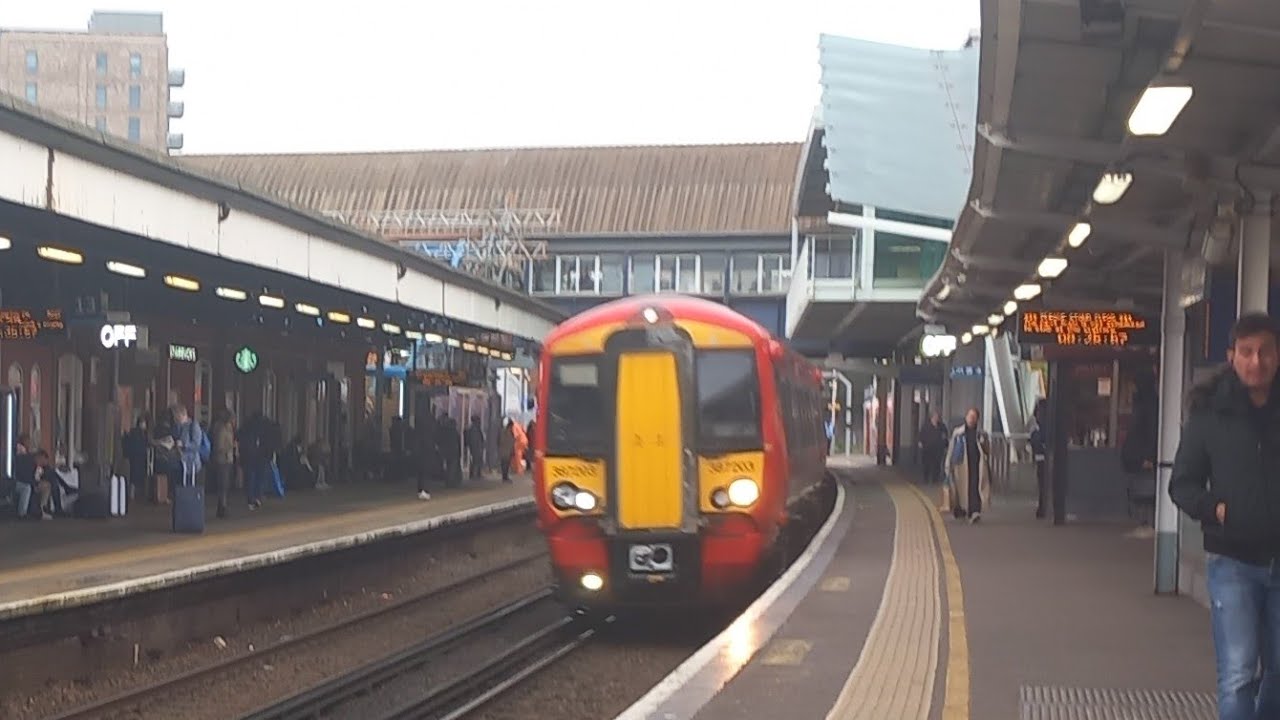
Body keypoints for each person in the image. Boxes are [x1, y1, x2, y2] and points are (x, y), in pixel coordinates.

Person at [1169, 312, 1280, 720]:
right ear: (1232, 356)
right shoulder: (1209, 416)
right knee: (1238, 673)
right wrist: (1214, 509)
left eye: (1265, 352)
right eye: (1247, 352)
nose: (1257, 361)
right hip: (1232, 563)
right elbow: (1181, 484)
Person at [945, 407, 991, 523]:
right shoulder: (958, 433)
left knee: (975, 488)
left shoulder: (981, 434)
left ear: (977, 420)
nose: (971, 419)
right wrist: (948, 464)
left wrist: (984, 442)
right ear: (966, 417)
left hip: (976, 465)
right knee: (960, 489)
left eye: (974, 417)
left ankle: (975, 511)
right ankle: (961, 510)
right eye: (970, 416)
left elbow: (987, 450)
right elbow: (951, 449)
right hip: (961, 466)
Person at [209, 409, 236, 518]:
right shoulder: (221, 429)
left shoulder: (228, 428)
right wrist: (231, 446)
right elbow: (219, 446)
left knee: (225, 484)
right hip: (222, 460)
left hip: (228, 459)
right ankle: (222, 508)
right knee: (223, 484)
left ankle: (223, 506)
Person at [1029, 398, 1049, 519]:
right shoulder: (1049, 425)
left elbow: (1034, 440)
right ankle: (1044, 508)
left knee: (1042, 485)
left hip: (1040, 458)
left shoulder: (1036, 428)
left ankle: (1042, 509)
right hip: (1045, 457)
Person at [918, 412, 948, 486]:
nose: (936, 418)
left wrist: (945, 444)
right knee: (926, 464)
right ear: (931, 417)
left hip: (938, 449)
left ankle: (935, 479)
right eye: (935, 417)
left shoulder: (942, 426)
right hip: (927, 448)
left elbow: (945, 435)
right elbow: (921, 434)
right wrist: (920, 442)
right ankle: (926, 478)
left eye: (937, 417)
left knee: (937, 464)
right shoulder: (926, 426)